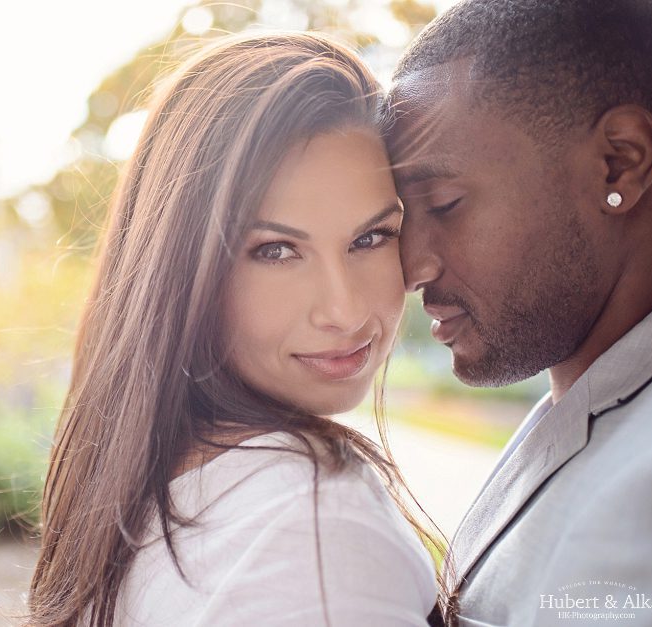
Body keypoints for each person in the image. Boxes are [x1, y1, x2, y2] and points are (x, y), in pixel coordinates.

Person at [28, 33, 443, 626]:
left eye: (370, 238)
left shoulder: (139, 489)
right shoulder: (315, 523)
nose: (345, 311)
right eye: (275, 250)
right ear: (179, 266)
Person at [387, 0, 652, 625]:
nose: (411, 268)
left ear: (618, 163)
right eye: (398, 219)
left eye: (444, 203)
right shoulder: (588, 399)